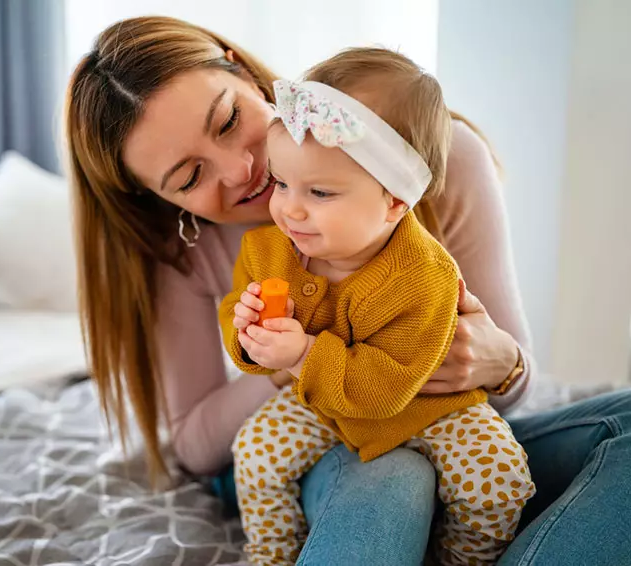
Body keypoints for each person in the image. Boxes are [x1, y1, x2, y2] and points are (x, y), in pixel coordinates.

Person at [64, 15, 631, 565]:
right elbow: (196, 445)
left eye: (229, 119)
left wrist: (501, 361)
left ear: (243, 74)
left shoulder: (442, 163)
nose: (241, 171)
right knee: (395, 476)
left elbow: (510, 396)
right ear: (161, 201)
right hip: (319, 439)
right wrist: (293, 358)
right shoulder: (185, 254)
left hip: (433, 419)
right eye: (190, 178)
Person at [219, 50, 536, 566]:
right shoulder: (268, 251)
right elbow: (241, 315)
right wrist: (248, 333)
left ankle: (460, 558)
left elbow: (385, 388)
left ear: (394, 201)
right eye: (280, 182)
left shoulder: (425, 276)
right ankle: (272, 554)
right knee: (255, 452)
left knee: (500, 481)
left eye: (320, 192)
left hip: (426, 407)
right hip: (322, 402)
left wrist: (301, 354)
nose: (288, 208)